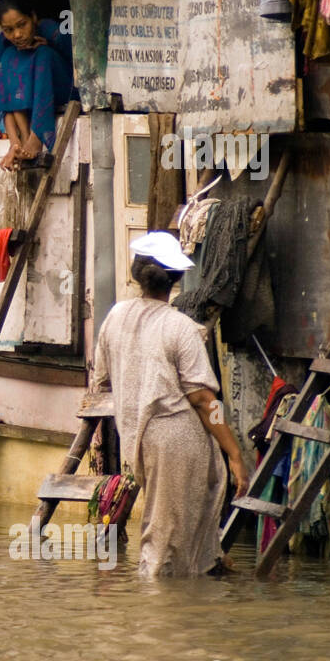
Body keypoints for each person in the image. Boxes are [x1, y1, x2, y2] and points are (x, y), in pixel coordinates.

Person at [91, 232, 250, 578]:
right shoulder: (181, 327)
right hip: (176, 440)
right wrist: (235, 453)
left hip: (135, 436)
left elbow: (100, 376)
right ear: (175, 279)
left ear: (137, 274)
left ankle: (189, 592)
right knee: (166, 532)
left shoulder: (115, 317)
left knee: (173, 524)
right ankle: (157, 609)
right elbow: (206, 400)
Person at [0, 0, 74, 169]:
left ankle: (36, 138)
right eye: (8, 30)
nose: (17, 34)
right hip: (25, 101)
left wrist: (49, 46)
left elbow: (78, 64)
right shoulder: (1, 45)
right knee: (10, 57)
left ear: (33, 17)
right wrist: (13, 140)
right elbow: (6, 93)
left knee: (42, 55)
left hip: (62, 89)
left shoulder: (53, 31)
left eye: (22, 25)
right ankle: (19, 143)